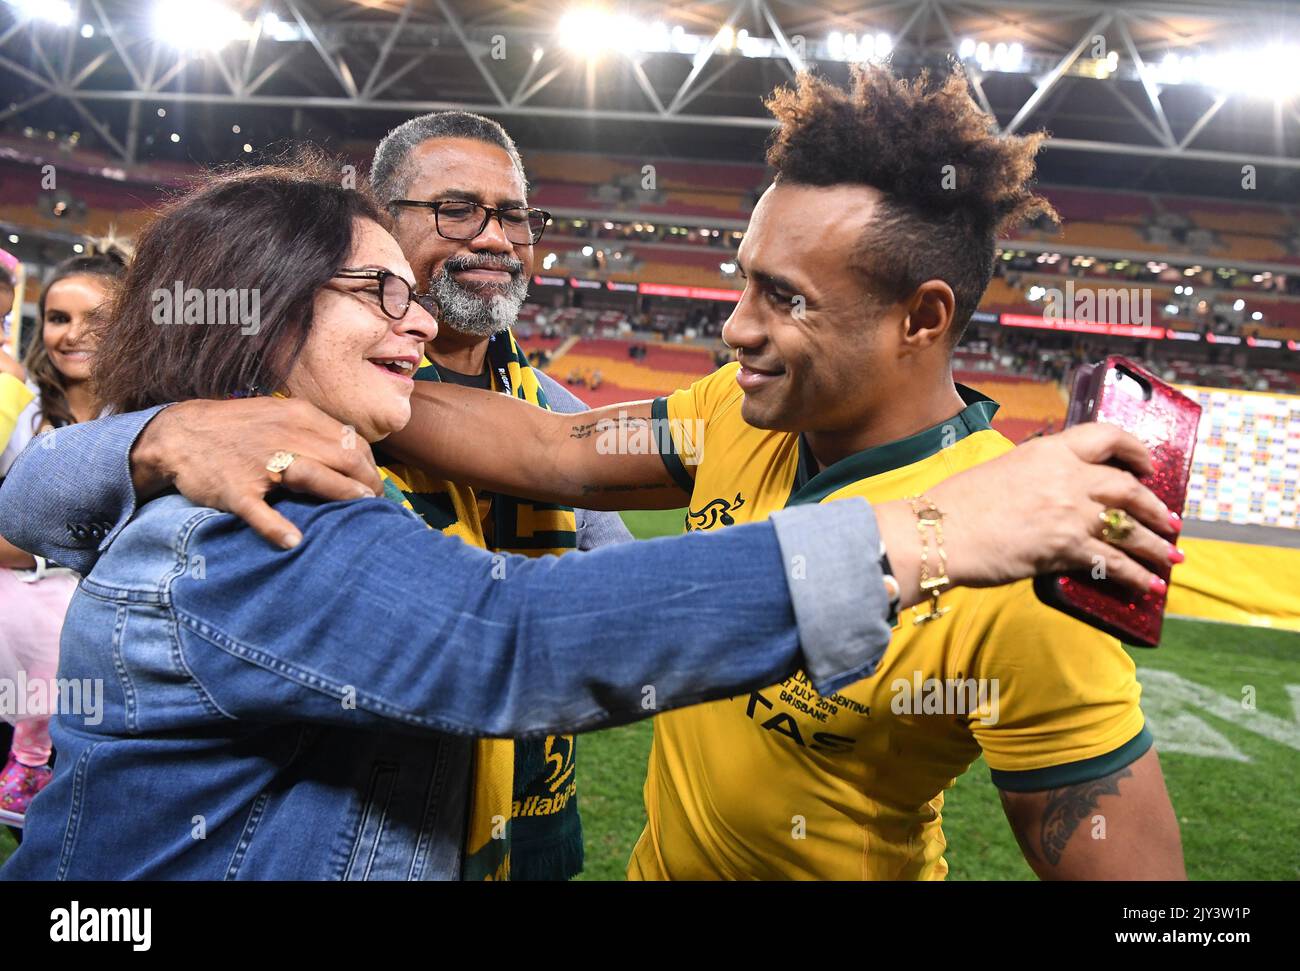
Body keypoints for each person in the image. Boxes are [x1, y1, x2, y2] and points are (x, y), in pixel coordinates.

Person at [0, 157, 1039, 881]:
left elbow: (564, 465)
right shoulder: (249, 507)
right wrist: (918, 532)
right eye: (389, 281)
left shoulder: (381, 430)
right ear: (267, 297)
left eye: (515, 213)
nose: (427, 306)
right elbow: (509, 632)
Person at [324, 66, 1190, 879]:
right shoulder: (732, 415)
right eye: (744, 283)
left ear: (921, 317)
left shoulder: (1021, 555)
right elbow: (553, 450)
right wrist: (296, 386)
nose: (736, 329)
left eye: (785, 297)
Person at [369, 111, 634, 878]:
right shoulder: (318, 396)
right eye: (456, 209)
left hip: (538, 815)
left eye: (514, 213)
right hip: (376, 830)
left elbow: (617, 606)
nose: (493, 237)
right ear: (383, 224)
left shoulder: (556, 411)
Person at [0, 250, 126, 827]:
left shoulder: (152, 417)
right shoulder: (22, 410)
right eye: (57, 318)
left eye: (95, 318)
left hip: (97, 648)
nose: (73, 335)